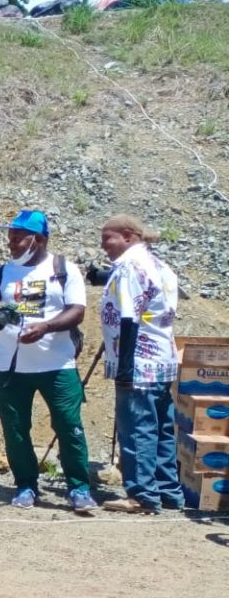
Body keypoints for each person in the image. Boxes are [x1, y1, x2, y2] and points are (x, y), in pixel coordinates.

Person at [0, 210, 97, 513]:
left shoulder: (64, 269)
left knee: (69, 426)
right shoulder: (1, 273)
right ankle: (26, 486)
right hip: (10, 366)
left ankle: (79, 489)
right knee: (15, 430)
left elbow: (77, 311)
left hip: (57, 364)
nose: (11, 241)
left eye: (19, 236)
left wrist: (45, 327)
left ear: (39, 239)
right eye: (11, 235)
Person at [97, 215, 183, 514]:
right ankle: (168, 491)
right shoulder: (160, 266)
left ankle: (142, 496)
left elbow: (129, 317)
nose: (103, 244)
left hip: (139, 362)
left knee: (137, 428)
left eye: (108, 237)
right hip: (161, 359)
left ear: (129, 236)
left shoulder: (130, 268)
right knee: (161, 428)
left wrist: (125, 366)